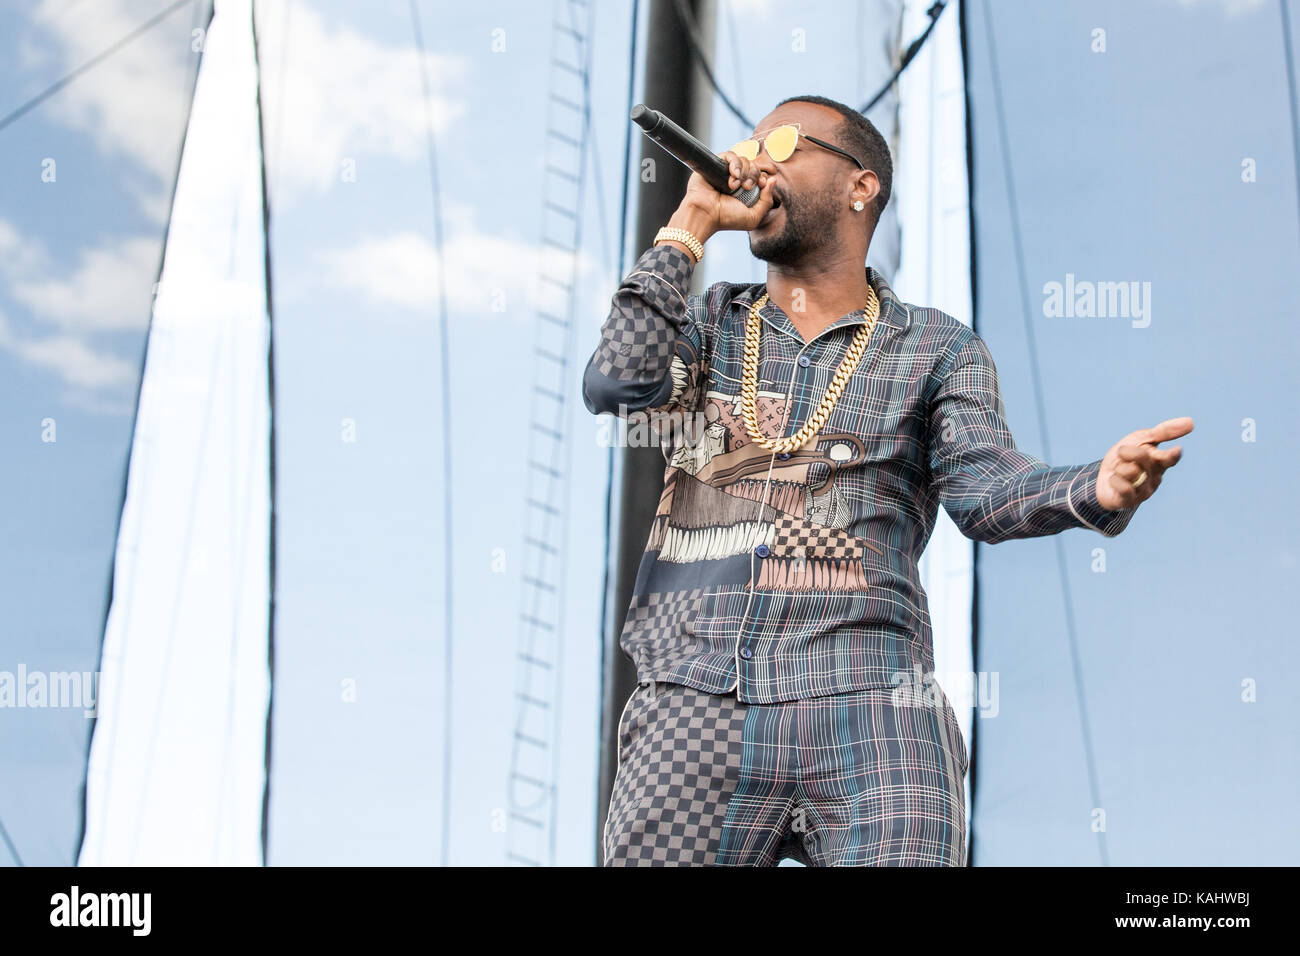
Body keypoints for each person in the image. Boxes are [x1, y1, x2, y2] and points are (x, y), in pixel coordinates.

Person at [582, 94, 1192, 866]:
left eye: (783, 140)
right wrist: (689, 225)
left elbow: (984, 490)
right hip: (693, 701)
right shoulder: (708, 322)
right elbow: (616, 384)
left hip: (873, 700)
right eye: (751, 141)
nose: (757, 157)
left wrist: (1094, 488)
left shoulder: (936, 346)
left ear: (859, 185)